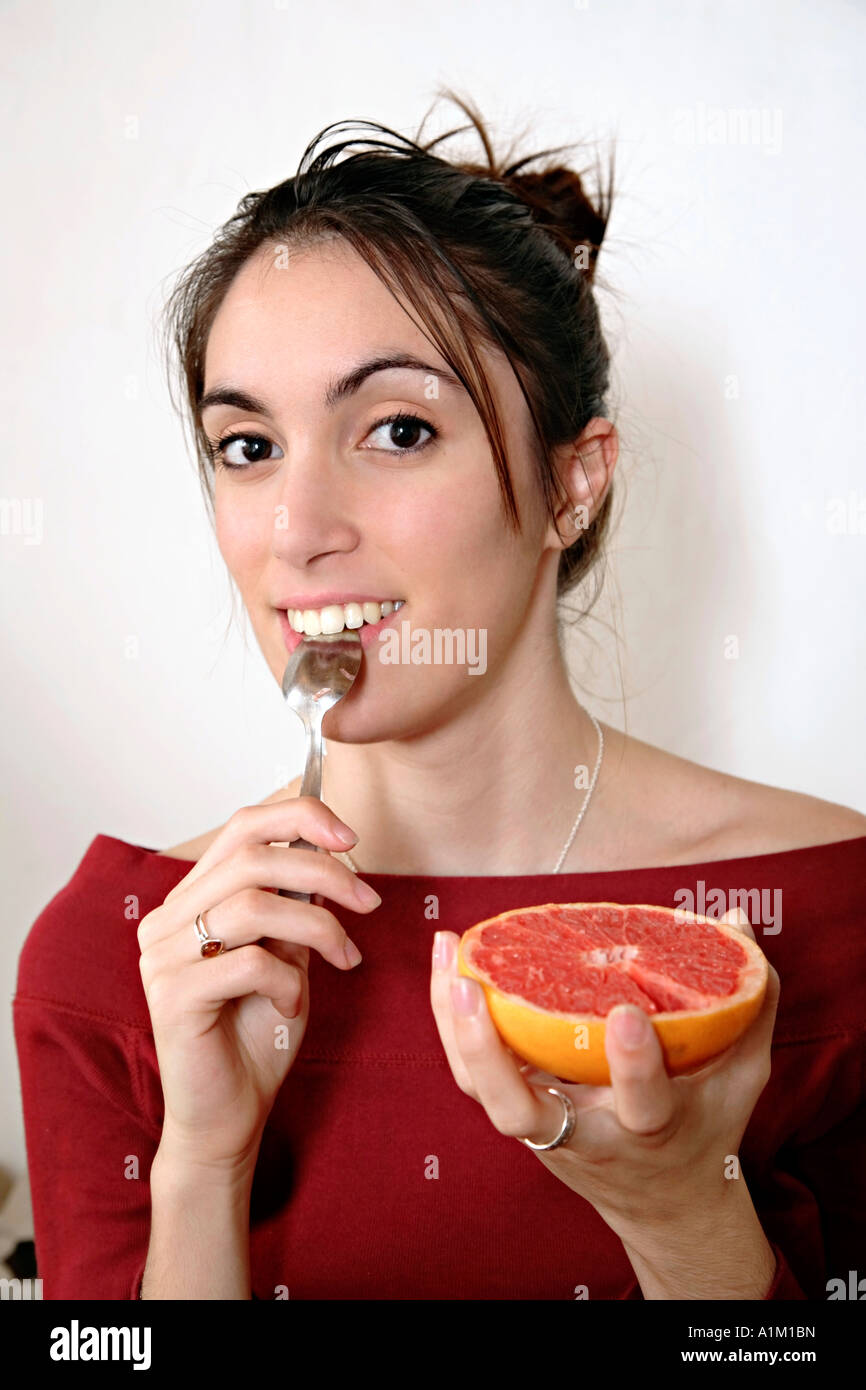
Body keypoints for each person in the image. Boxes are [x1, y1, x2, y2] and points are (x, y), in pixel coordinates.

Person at [13, 90, 866, 1301]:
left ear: (572, 484)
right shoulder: (120, 961)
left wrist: (685, 1219)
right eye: (247, 447)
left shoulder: (831, 921)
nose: (297, 532)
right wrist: (202, 1163)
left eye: (397, 430)